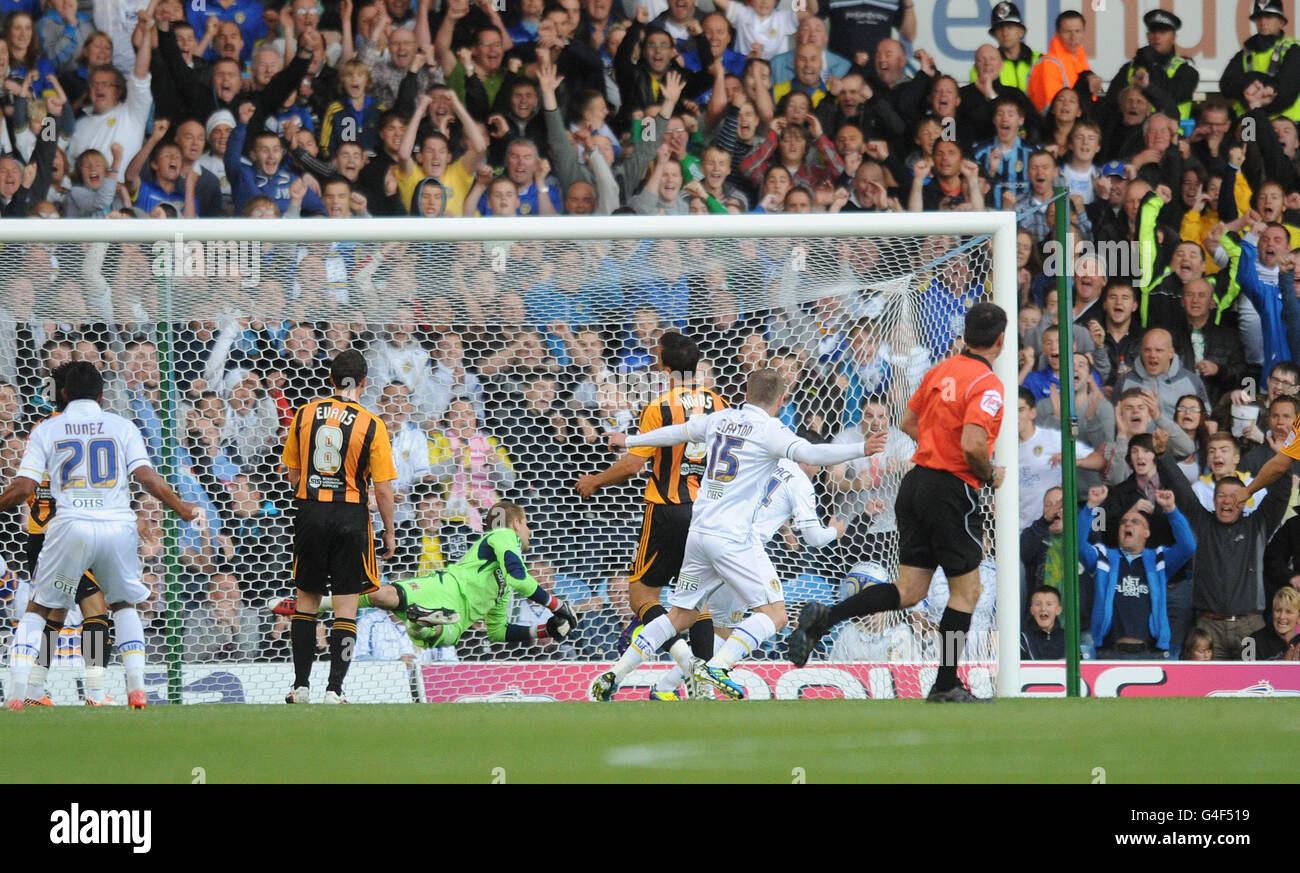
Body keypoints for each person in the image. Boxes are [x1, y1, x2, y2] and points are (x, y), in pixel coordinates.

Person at [589, 367, 884, 701]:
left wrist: (631, 440)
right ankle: (719, 665)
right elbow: (811, 454)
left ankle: (616, 673)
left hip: (699, 533)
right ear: (782, 399)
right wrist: (862, 448)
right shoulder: (771, 430)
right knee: (775, 615)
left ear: (746, 392)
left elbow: (678, 432)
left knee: (678, 615)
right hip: (733, 538)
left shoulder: (721, 418)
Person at [788, 302, 1010, 702]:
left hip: (915, 483)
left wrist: (936, 448)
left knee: (909, 589)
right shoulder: (987, 384)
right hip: (951, 488)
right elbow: (974, 443)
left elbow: (907, 423)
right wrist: (989, 474)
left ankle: (826, 618)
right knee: (967, 593)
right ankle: (945, 686)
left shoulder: (939, 371)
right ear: (1000, 340)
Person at [0, 361, 200, 711]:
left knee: (57, 610)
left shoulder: (46, 429)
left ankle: (33, 688)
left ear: (60, 392)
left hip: (62, 531)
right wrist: (180, 506)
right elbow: (147, 476)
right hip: (99, 527)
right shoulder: (119, 426)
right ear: (101, 393)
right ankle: (108, 688)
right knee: (103, 608)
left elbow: (26, 486)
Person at [575, 333, 728, 681]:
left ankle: (687, 663)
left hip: (667, 510)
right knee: (694, 595)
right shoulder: (720, 405)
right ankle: (703, 677)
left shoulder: (659, 406)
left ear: (664, 364)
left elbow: (631, 466)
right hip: (707, 512)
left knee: (641, 594)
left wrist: (594, 481)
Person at [647, 452, 847, 700]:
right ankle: (715, 668)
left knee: (720, 631)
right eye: (818, 461)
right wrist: (833, 531)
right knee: (776, 616)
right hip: (743, 548)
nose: (819, 468)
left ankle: (664, 688)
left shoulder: (769, 462)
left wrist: (783, 525)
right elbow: (814, 538)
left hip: (713, 536)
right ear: (806, 459)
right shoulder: (800, 481)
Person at [277, 501, 578, 653]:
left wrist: (543, 632)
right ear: (517, 523)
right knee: (392, 601)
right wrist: (556, 606)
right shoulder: (502, 534)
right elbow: (519, 578)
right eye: (527, 526)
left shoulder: (501, 589)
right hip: (449, 593)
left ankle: (422, 619)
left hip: (450, 606)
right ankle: (419, 621)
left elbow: (497, 632)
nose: (529, 533)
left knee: (388, 600)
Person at [280, 350, 398, 705]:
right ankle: (334, 690)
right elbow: (382, 489)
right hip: (350, 516)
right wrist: (389, 531)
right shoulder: (371, 424)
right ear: (363, 383)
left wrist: (315, 492)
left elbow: (292, 473)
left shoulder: (304, 414)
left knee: (306, 602)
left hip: (311, 513)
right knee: (346, 607)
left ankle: (300, 687)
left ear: (331, 379)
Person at [1080, 484, 1195, 659]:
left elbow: (1188, 546)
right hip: (1109, 652)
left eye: (1135, 522)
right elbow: (1077, 545)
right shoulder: (1104, 558)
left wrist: (1171, 510)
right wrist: (1090, 507)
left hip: (1150, 653)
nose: (1128, 524)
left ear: (1146, 533)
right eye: (1123, 522)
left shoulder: (1158, 560)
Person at [1242, 586, 1300, 661]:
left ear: (1299, 618)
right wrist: (1284, 664)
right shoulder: (1253, 642)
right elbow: (1248, 672)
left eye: (1288, 612)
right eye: (1278, 610)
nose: (1282, 616)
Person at [1020, 584, 1064, 660]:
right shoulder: (1023, 640)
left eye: (1049, 604)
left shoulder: (1069, 639)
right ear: (1032, 610)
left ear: (1058, 610)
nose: (1043, 608)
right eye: (1038, 604)